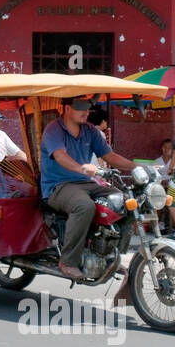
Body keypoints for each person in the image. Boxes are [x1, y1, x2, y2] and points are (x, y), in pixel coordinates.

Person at [40, 96, 138, 280]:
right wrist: (81, 168)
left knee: (125, 201)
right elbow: (60, 156)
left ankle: (110, 254)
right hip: (58, 186)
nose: (86, 112)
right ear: (67, 108)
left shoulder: (90, 130)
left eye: (87, 108)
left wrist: (136, 167)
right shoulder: (53, 130)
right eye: (80, 108)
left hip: (87, 183)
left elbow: (109, 155)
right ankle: (68, 261)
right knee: (84, 206)